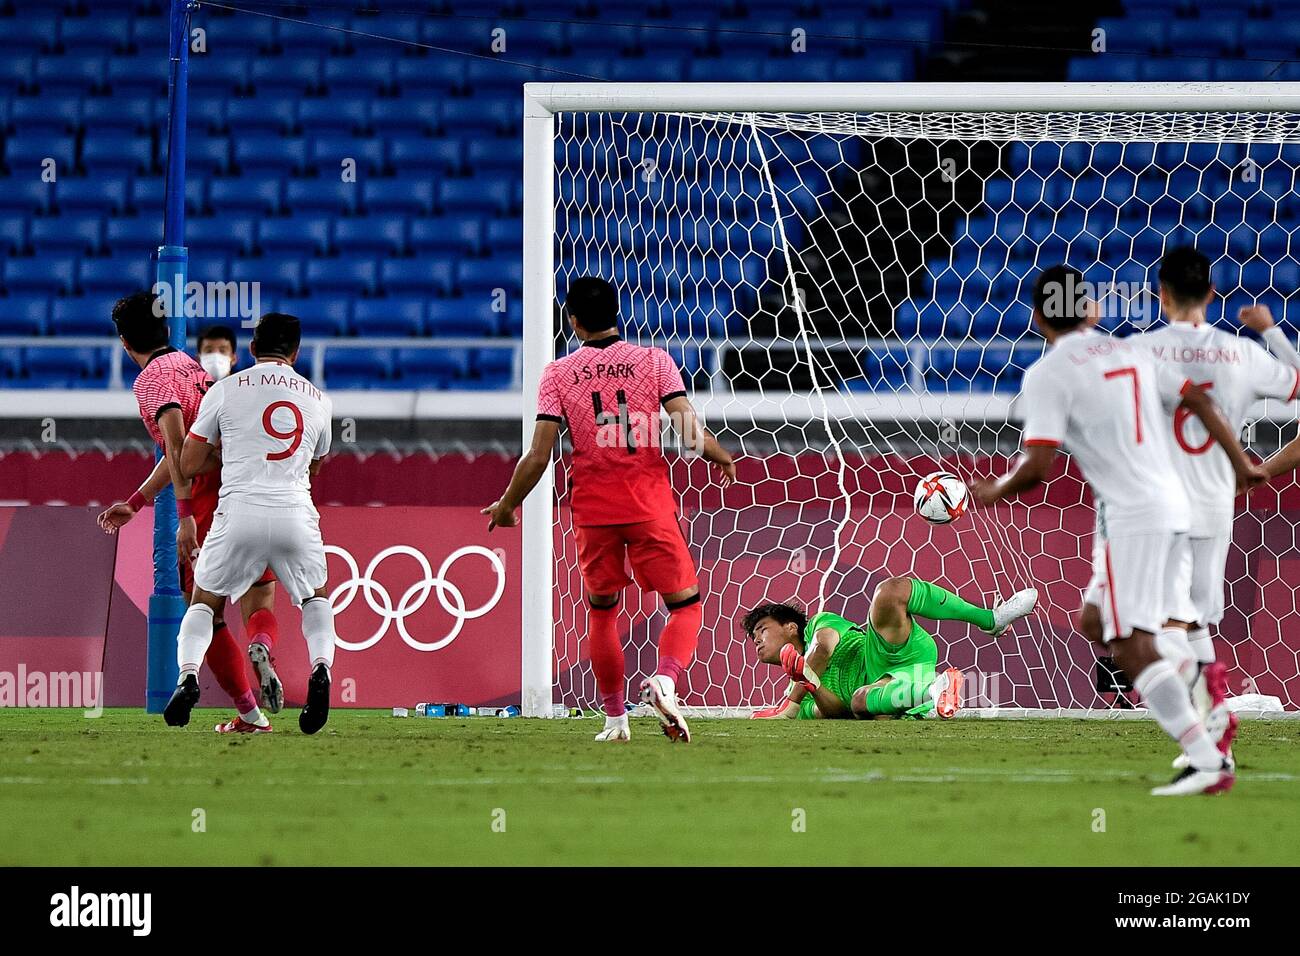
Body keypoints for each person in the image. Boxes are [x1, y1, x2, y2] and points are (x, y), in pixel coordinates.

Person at [972, 264, 1266, 796]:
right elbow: (1198, 399)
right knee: (1095, 620)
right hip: (1175, 503)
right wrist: (1241, 461)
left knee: (1130, 643)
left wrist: (992, 491)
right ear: (1092, 309)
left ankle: (1206, 756)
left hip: (1133, 516)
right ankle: (1205, 691)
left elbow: (1037, 466)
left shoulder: (1048, 374)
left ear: (1038, 319)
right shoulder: (1131, 350)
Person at [482, 276, 736, 743]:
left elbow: (539, 455)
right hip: (648, 503)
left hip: (594, 510)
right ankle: (665, 679)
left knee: (601, 613)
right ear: (617, 313)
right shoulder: (654, 361)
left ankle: (616, 720)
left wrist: (507, 504)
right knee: (685, 605)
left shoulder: (557, 373)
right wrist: (720, 456)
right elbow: (689, 431)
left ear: (572, 321)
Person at [97, 292, 280, 732]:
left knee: (204, 611)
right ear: (164, 330)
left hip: (202, 501)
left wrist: (183, 517)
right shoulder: (187, 365)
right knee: (259, 594)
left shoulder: (151, 382)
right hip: (244, 489)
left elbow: (178, 451)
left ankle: (243, 709)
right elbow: (178, 448)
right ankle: (260, 645)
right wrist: (137, 501)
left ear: (124, 343)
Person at [166, 313, 338, 736]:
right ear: (295, 354)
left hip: (238, 511)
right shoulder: (319, 399)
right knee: (314, 600)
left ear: (251, 349)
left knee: (204, 603)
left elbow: (186, 465)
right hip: (294, 512)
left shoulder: (224, 391)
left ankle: (187, 676)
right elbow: (315, 466)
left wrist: (228, 453)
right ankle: (321, 668)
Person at [744, 577, 1037, 720]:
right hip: (886, 690)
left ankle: (991, 619)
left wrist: (793, 697)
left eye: (761, 629)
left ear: (790, 627)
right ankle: (936, 691)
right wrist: (810, 686)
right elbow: (837, 712)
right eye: (753, 636)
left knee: (890, 592)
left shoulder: (818, 623)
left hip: (885, 652)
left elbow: (823, 647)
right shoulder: (797, 690)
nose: (756, 639)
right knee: (860, 703)